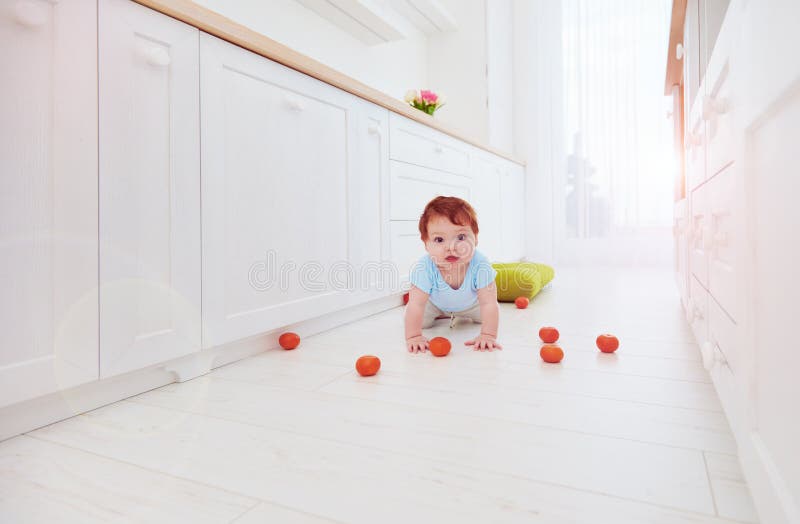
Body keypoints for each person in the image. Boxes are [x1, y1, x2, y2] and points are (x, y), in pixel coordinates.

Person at [404, 196, 502, 353]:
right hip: (434, 304)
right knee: (420, 321)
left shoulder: (481, 264)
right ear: (426, 244)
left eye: (461, 237)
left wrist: (488, 335)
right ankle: (444, 314)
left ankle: (456, 315)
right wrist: (413, 337)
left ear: (475, 238)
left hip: (472, 304)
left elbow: (488, 303)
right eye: (439, 239)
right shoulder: (424, 267)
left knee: (487, 317)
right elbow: (416, 304)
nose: (451, 247)